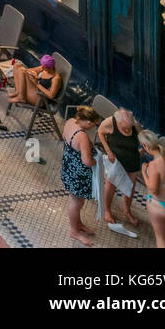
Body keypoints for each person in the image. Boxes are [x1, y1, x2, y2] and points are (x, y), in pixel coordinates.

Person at [97, 108, 142, 229]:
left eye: (129, 127)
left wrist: (142, 149)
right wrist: (108, 150)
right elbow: (100, 132)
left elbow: (142, 138)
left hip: (132, 159)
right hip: (116, 160)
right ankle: (107, 210)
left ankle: (127, 211)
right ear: (118, 121)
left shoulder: (134, 125)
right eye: (125, 127)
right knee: (111, 185)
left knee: (130, 186)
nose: (128, 129)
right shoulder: (110, 122)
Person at [61, 105, 99, 245]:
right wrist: (98, 161)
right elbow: (87, 161)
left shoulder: (71, 121)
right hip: (77, 172)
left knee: (78, 200)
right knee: (76, 202)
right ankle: (74, 231)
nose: (93, 128)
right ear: (88, 122)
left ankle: (79, 224)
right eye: (94, 125)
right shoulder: (82, 136)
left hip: (68, 166)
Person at [139, 130, 165, 247]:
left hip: (161, 207)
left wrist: (144, 172)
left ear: (145, 146)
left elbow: (153, 190)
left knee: (160, 238)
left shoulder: (154, 165)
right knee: (163, 231)